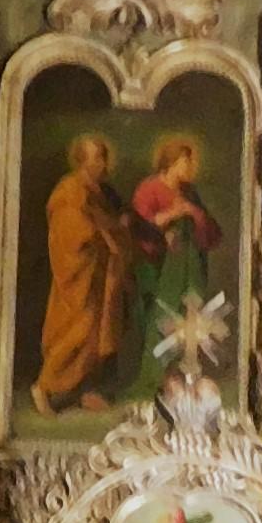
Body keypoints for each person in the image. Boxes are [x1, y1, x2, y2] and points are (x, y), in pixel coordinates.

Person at [33, 127, 133, 411]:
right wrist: (110, 228)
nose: (102, 163)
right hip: (78, 277)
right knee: (78, 331)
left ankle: (84, 391)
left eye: (103, 157)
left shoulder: (102, 191)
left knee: (97, 336)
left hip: (101, 276)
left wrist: (120, 224)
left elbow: (118, 217)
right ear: (82, 161)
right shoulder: (70, 189)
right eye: (96, 158)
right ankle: (42, 386)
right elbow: (72, 229)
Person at [127, 130, 224, 382]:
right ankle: (153, 373)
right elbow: (138, 227)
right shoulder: (148, 189)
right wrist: (171, 218)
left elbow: (211, 231)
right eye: (186, 161)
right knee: (158, 317)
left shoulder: (189, 192)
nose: (191, 166)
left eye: (191, 161)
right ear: (171, 162)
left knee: (185, 316)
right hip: (152, 266)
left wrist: (192, 212)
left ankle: (178, 373)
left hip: (183, 265)